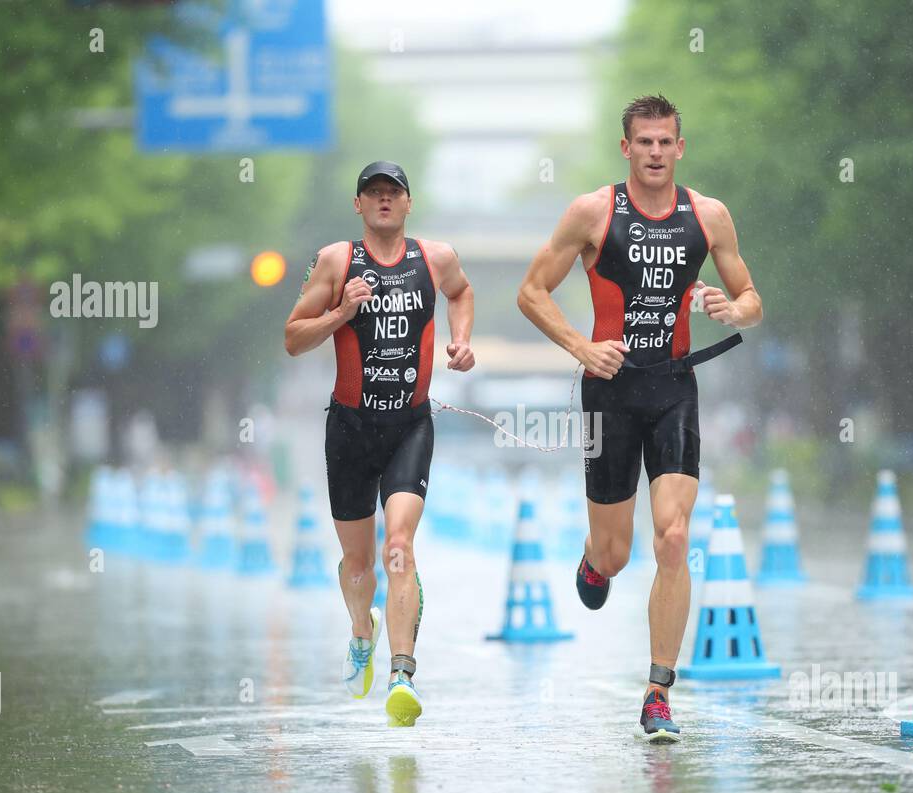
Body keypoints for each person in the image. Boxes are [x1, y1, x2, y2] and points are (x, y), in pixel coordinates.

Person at [517, 94, 763, 742]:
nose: (655, 153)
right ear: (625, 148)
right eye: (643, 142)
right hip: (610, 392)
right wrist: (580, 346)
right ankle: (594, 561)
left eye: (666, 142)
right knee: (617, 551)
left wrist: (732, 310)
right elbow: (530, 290)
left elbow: (751, 298)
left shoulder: (707, 217)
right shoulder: (594, 213)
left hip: (675, 388)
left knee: (675, 537)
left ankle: (658, 692)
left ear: (681, 148)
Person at [285, 161, 476, 727]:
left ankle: (402, 674)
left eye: (394, 192)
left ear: (408, 204)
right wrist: (341, 311)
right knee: (358, 562)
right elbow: (293, 337)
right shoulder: (335, 261)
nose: (384, 201)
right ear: (359, 205)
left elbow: (462, 293)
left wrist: (461, 341)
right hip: (348, 430)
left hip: (409, 428)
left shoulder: (436, 258)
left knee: (399, 546)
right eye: (374, 194)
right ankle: (361, 630)